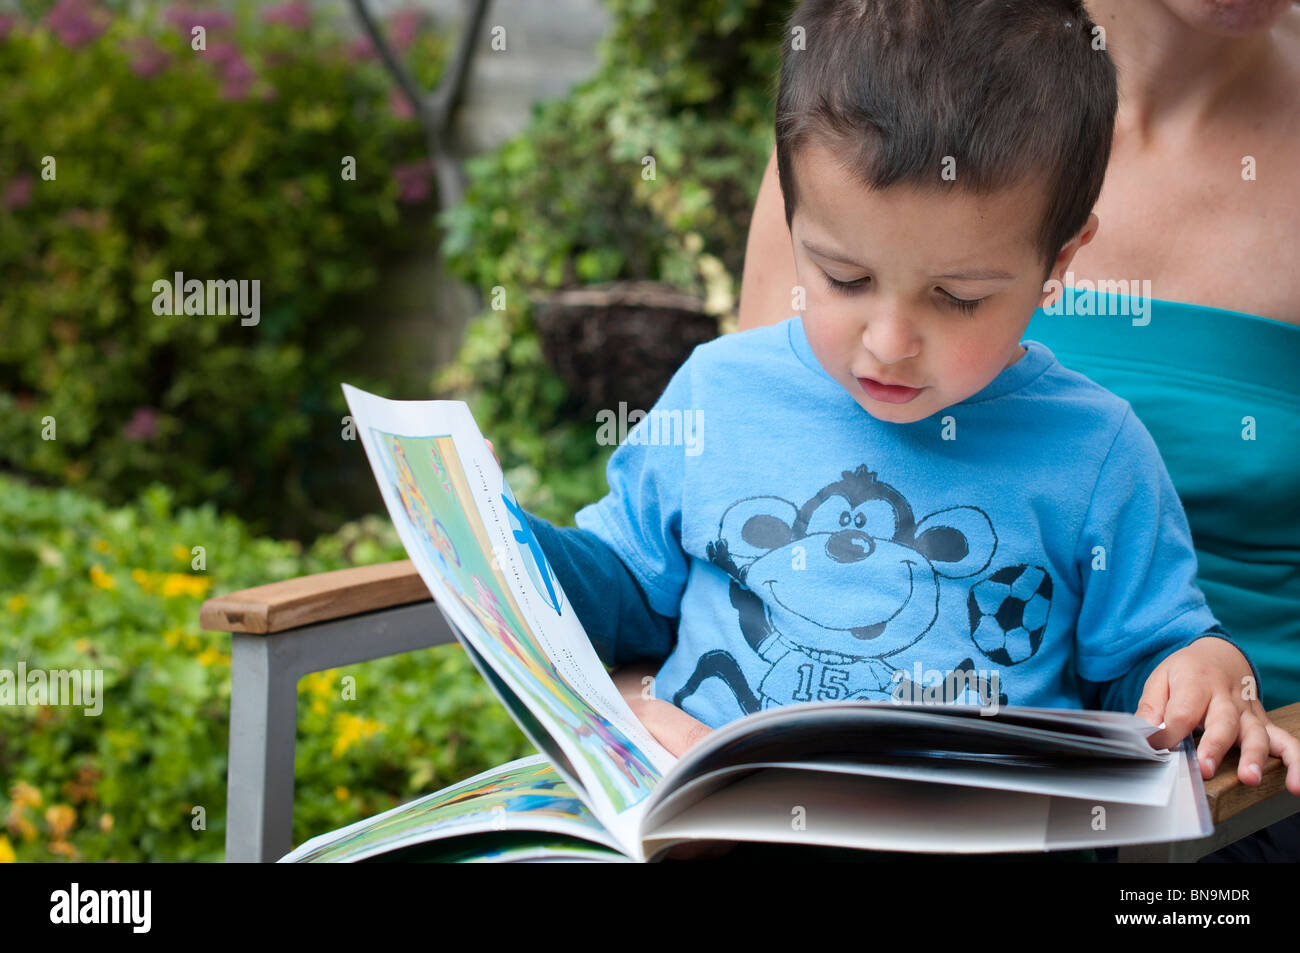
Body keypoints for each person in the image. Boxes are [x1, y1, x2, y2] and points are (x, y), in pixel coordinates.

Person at [499, 0, 1300, 858]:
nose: (888, 342)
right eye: (843, 277)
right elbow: (627, 585)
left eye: (958, 297)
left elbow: (1147, 659)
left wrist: (1201, 670)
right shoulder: (720, 389)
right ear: (793, 215)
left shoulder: (1097, 451)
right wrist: (497, 549)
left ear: (1060, 260)